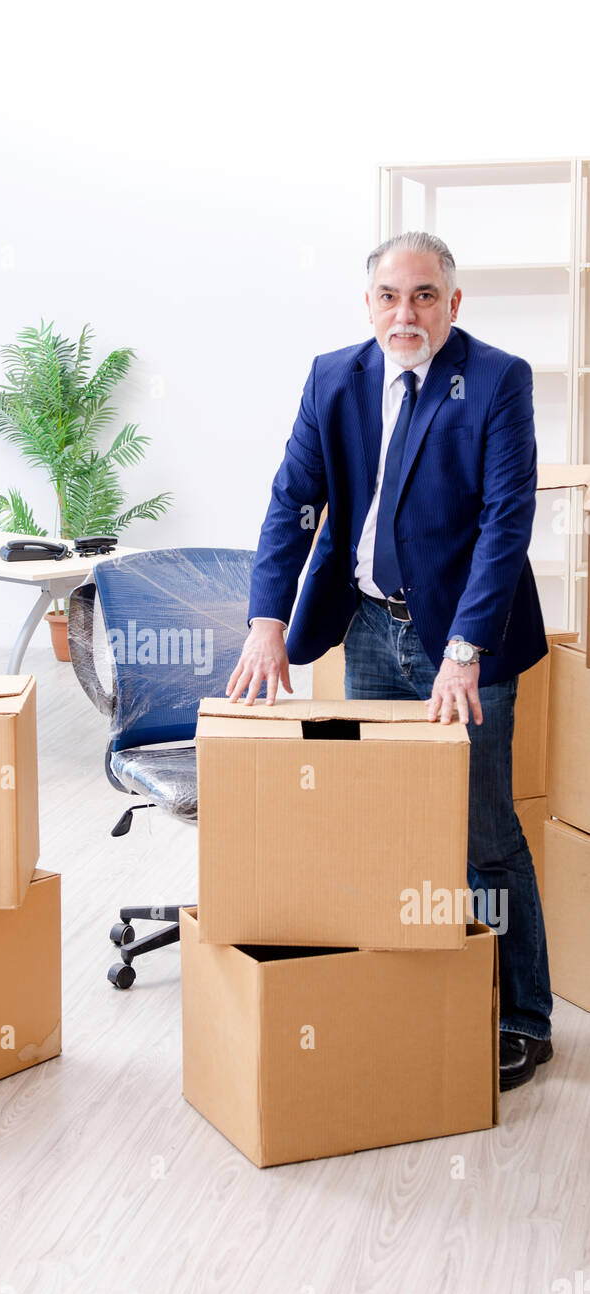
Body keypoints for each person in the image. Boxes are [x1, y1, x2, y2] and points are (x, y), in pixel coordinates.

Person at [227, 230, 552, 1092]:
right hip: (370, 627)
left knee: (483, 835)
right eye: (386, 296)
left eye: (421, 295)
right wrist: (267, 620)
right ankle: (393, 992)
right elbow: (291, 502)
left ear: (452, 303)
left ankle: (521, 1016)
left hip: (464, 642)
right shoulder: (335, 376)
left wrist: (463, 653)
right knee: (380, 824)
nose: (402, 313)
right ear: (366, 301)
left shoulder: (495, 379)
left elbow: (503, 527)